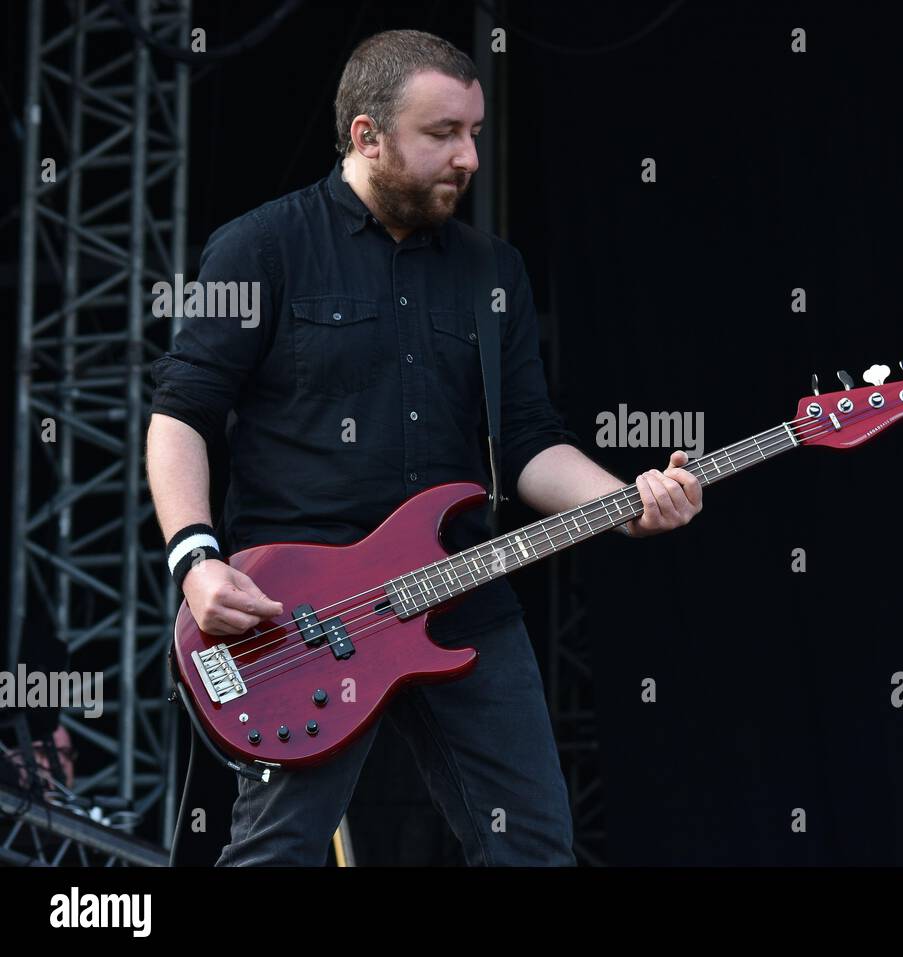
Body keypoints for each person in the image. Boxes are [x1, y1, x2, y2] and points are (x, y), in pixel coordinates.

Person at [146, 29, 701, 866]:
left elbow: (525, 442)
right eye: (442, 133)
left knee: (536, 849)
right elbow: (181, 412)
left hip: (460, 593)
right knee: (278, 854)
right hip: (300, 616)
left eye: (475, 132)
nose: (469, 156)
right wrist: (196, 558)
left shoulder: (492, 272)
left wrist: (628, 501)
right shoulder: (261, 247)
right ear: (367, 135)